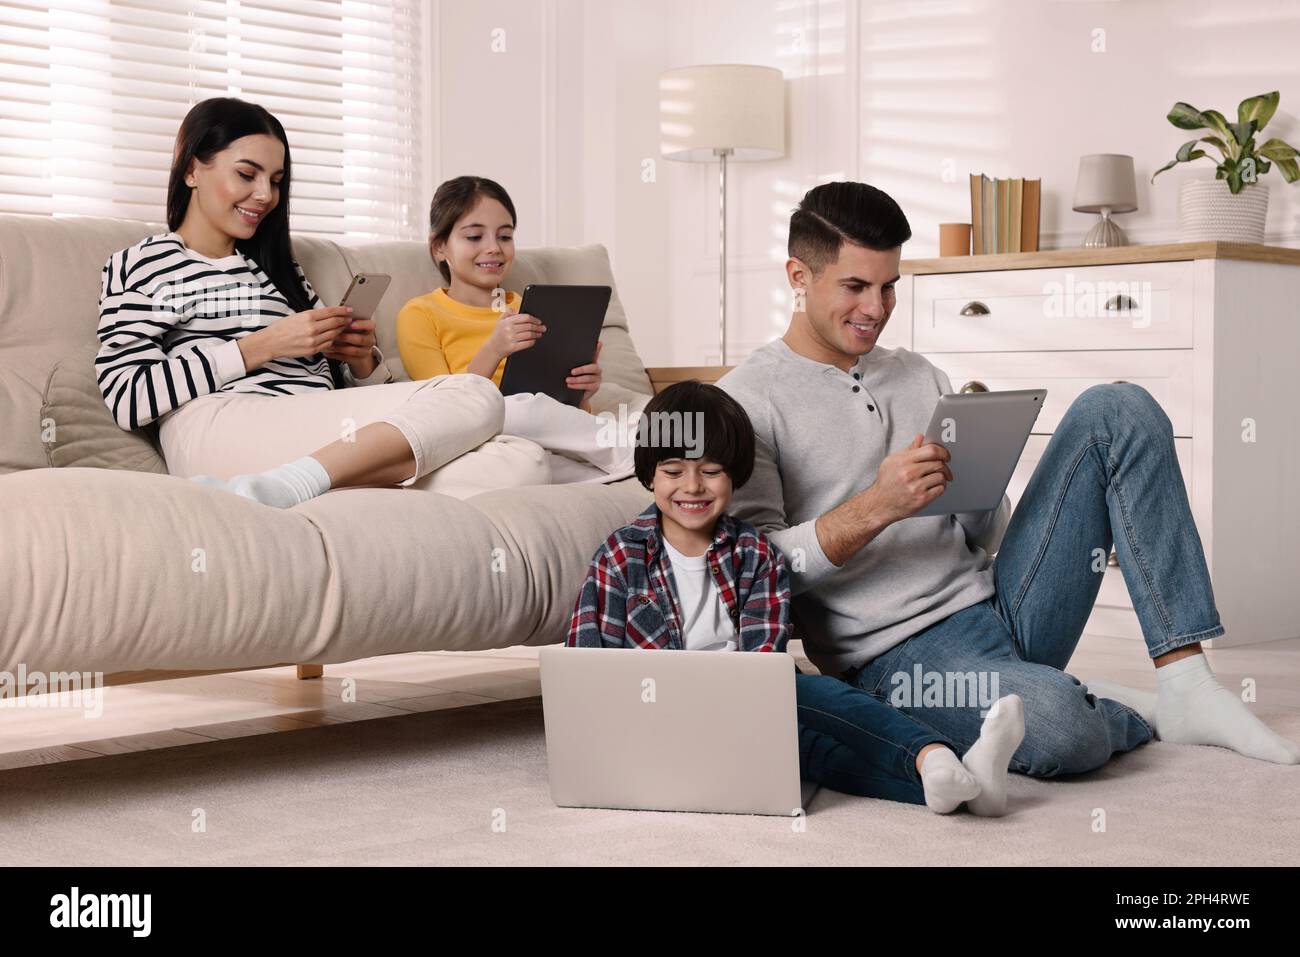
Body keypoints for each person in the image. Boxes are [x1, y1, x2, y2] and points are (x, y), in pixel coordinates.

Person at [717, 180, 1300, 770]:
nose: (876, 308)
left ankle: (1187, 681)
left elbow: (982, 535)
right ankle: (1104, 704)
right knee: (1061, 729)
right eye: (855, 287)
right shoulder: (744, 401)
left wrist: (975, 485)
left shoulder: (922, 375)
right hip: (895, 660)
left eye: (889, 286)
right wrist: (879, 505)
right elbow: (756, 572)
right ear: (798, 276)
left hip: (1002, 604)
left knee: (1117, 408)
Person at [567, 380, 1026, 815]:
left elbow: (762, 669)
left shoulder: (756, 555)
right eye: (673, 471)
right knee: (800, 697)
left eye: (710, 472)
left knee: (810, 734)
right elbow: (587, 672)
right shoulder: (620, 556)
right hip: (658, 723)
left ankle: (953, 778)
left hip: (743, 716)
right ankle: (938, 760)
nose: (692, 487)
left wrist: (742, 717)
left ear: (735, 476)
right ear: (649, 474)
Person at [96, 97, 543, 509]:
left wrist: (362, 361)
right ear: (192, 169)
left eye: (275, 181)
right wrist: (262, 346)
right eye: (247, 175)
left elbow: (344, 397)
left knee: (525, 464)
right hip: (220, 425)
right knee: (476, 394)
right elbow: (127, 397)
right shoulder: (146, 261)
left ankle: (298, 484)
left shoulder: (279, 272)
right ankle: (299, 483)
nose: (265, 196)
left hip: (309, 434)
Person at [396, 176, 636, 485]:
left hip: (540, 438)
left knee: (543, 450)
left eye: (505, 237)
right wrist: (494, 349)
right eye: (474, 237)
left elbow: (557, 408)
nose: (493, 248)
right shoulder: (420, 314)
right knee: (521, 409)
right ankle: (637, 450)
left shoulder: (527, 307)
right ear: (440, 247)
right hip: (476, 432)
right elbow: (444, 410)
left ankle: (636, 463)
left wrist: (582, 393)